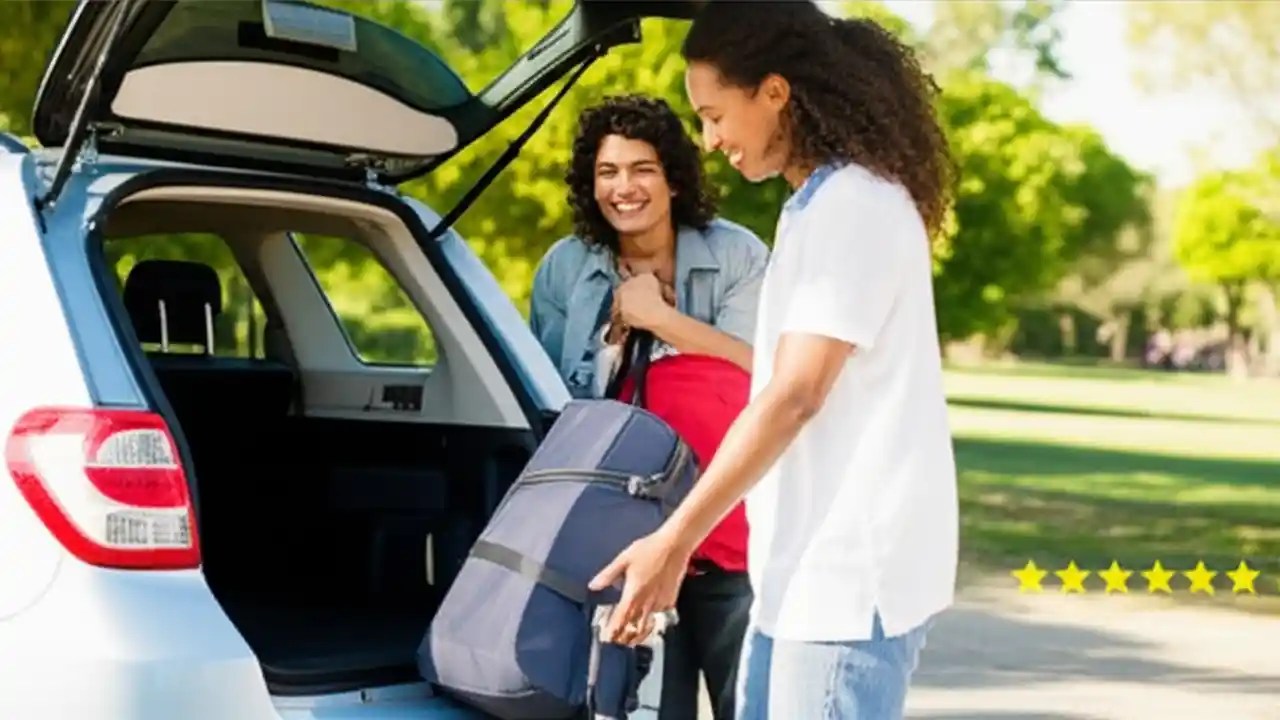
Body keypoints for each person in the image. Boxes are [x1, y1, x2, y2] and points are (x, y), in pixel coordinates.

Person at [587, 3, 960, 718]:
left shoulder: (854, 204)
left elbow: (795, 394)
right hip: (805, 578)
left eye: (715, 114)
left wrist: (674, 541)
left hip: (850, 582)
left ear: (776, 93)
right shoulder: (814, 206)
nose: (711, 138)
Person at [528, 94, 769, 720]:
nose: (623, 188)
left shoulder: (737, 254)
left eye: (642, 169)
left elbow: (762, 364)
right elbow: (553, 396)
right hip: (615, 510)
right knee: (618, 697)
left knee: (740, 692)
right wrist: (614, 337)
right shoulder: (565, 269)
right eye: (607, 172)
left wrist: (660, 319)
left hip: (720, 512)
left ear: (673, 177)